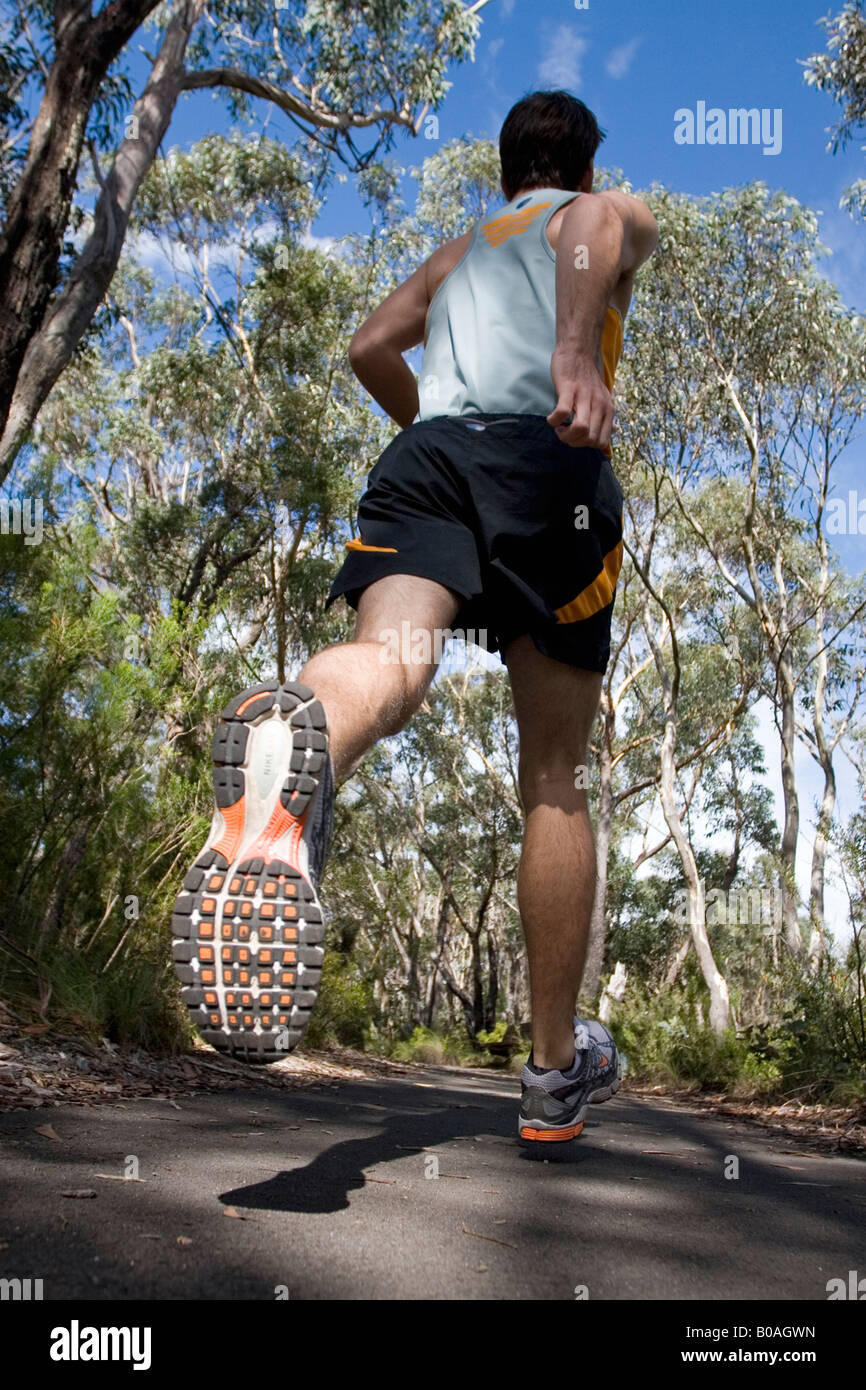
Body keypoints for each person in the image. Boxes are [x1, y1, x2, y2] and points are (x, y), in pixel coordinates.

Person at [171, 89, 659, 1144]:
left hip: (429, 459)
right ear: (581, 162)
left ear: (501, 170)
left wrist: (440, 436)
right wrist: (573, 351)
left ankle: (275, 773)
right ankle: (549, 1070)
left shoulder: (460, 250)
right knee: (554, 776)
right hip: (550, 467)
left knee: (383, 666)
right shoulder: (595, 209)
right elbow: (595, 229)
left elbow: (366, 346)